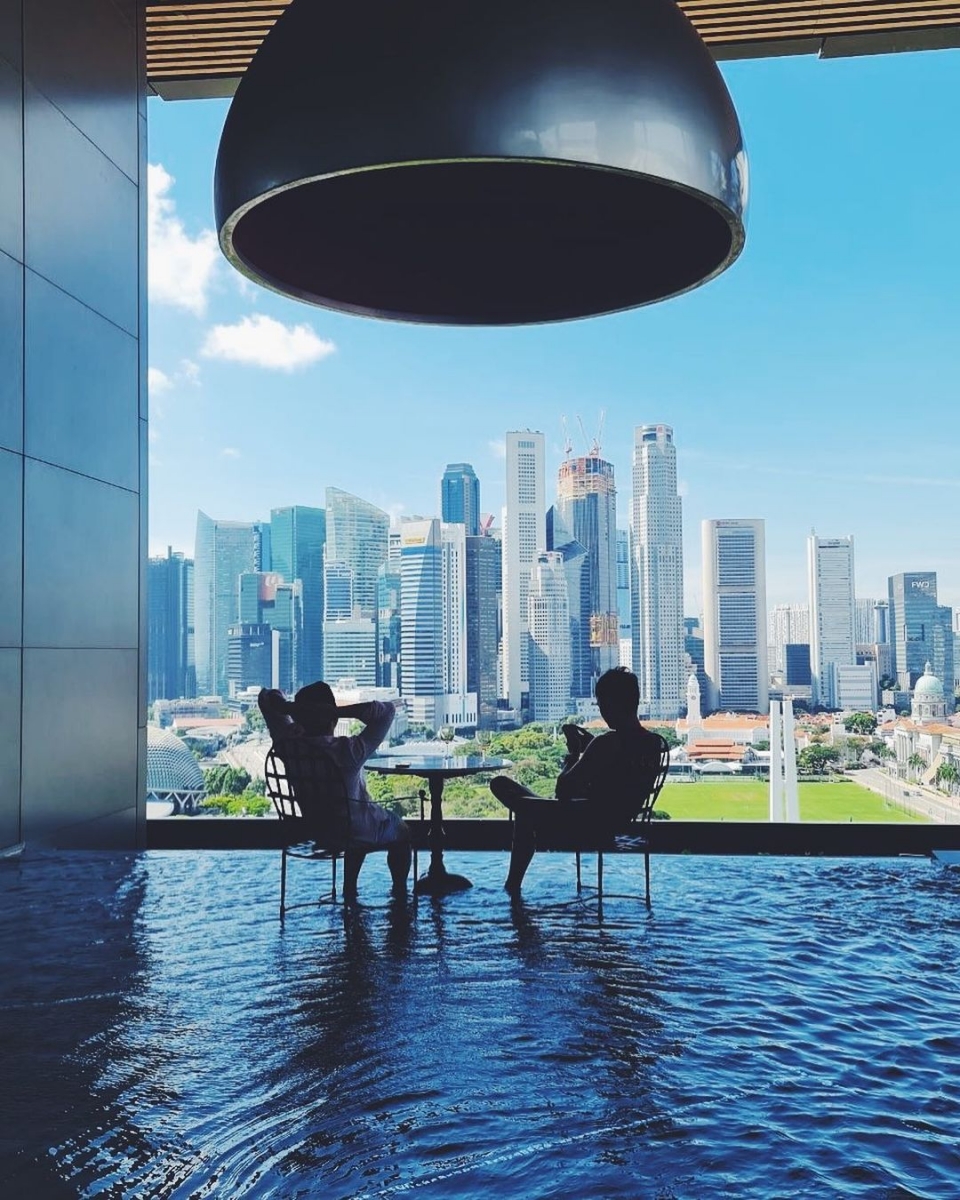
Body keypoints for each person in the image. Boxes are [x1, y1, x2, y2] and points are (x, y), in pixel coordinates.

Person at [490, 668, 668, 895]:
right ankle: (513, 885)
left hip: (584, 822)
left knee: (504, 788)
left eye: (602, 703)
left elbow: (563, 790)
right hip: (619, 822)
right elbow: (615, 777)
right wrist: (591, 749)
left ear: (612, 703)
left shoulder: (607, 744)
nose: (602, 711)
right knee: (525, 806)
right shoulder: (653, 744)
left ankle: (512, 886)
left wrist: (573, 755)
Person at [259, 682, 412, 900]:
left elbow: (266, 697)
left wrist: (291, 710)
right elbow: (387, 711)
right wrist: (337, 710)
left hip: (316, 831)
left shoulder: (287, 745)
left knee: (353, 819)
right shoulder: (348, 751)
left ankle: (349, 890)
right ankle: (399, 894)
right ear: (333, 719)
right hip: (354, 830)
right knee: (401, 831)